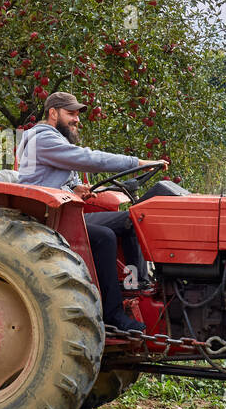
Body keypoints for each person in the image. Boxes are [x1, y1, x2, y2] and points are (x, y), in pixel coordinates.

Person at [16, 91, 165, 332]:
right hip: (48, 217)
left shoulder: (55, 139)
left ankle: (136, 286)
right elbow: (86, 158)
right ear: (53, 113)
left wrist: (76, 187)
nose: (76, 119)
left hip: (63, 210)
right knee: (103, 236)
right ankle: (113, 314)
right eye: (71, 114)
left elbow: (54, 175)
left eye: (77, 114)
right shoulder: (41, 139)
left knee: (131, 220)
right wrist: (135, 163)